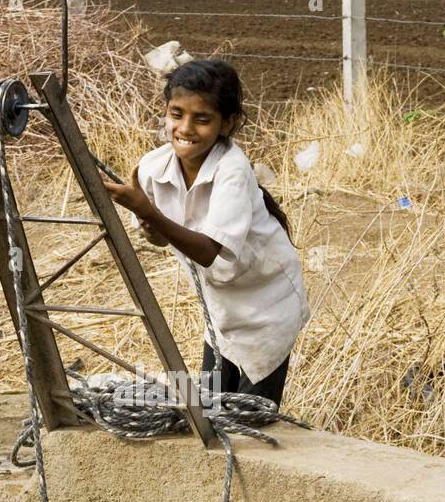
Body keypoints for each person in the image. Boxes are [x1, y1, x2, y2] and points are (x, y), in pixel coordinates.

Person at [100, 57, 310, 407]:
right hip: (220, 309)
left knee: (249, 415)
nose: (185, 129)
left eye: (202, 119)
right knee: (212, 410)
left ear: (227, 124)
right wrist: (151, 223)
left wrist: (145, 210)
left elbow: (210, 250)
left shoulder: (232, 170)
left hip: (265, 306)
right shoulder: (154, 167)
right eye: (176, 114)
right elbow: (158, 236)